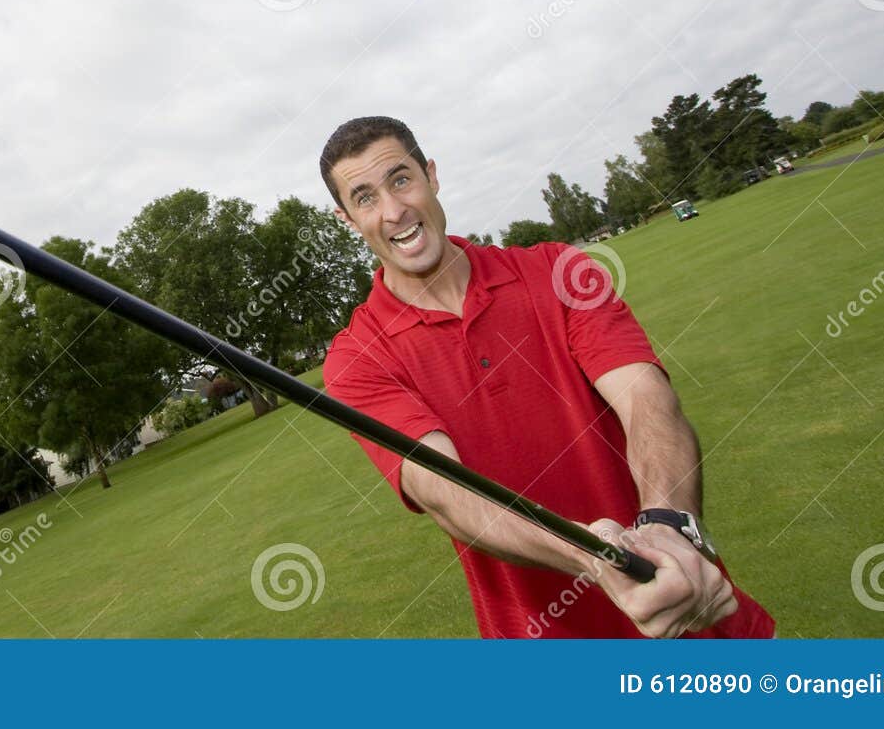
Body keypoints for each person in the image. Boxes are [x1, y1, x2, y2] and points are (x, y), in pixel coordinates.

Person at [318, 115, 774, 638]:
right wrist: (594, 557)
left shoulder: (560, 271)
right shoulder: (357, 359)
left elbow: (647, 400)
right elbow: (445, 492)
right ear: (348, 219)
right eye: (365, 197)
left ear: (432, 176)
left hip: (691, 609)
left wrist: (669, 526)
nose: (394, 210)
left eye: (401, 179)